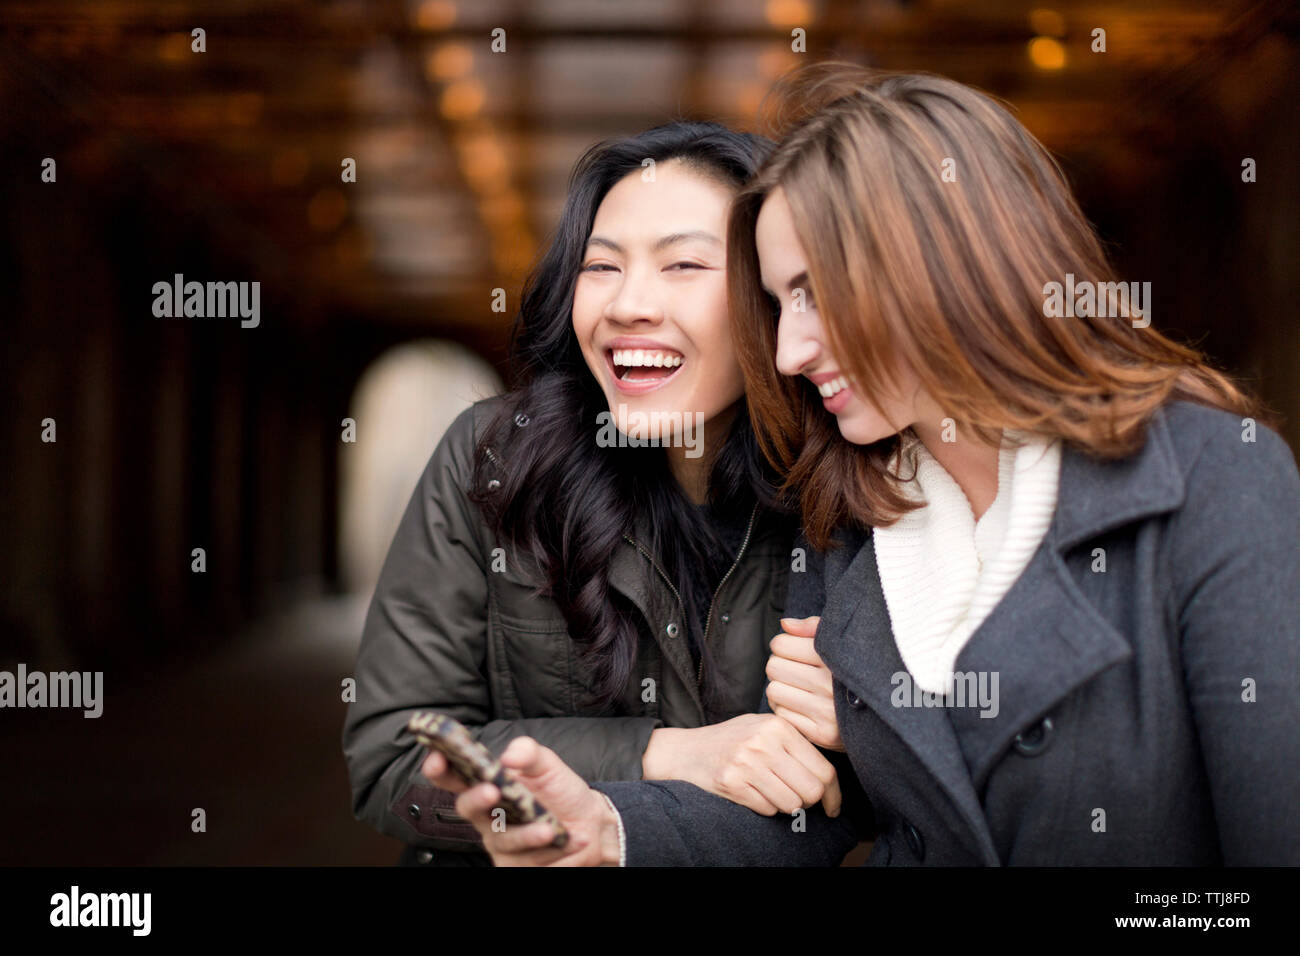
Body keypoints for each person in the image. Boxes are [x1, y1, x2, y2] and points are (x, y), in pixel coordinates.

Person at [419, 64, 1300, 866]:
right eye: (774, 301)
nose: (792, 349)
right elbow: (815, 816)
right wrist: (611, 829)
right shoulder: (850, 502)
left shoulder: (1211, 480)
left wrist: (913, 720)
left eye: (814, 291)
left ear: (948, 262)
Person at [341, 120, 849, 866]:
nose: (628, 305)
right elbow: (392, 761)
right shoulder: (490, 461)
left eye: (683, 265)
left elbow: (864, 793)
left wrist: (870, 725)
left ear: (775, 296)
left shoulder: (844, 477)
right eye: (601, 267)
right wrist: (665, 754)